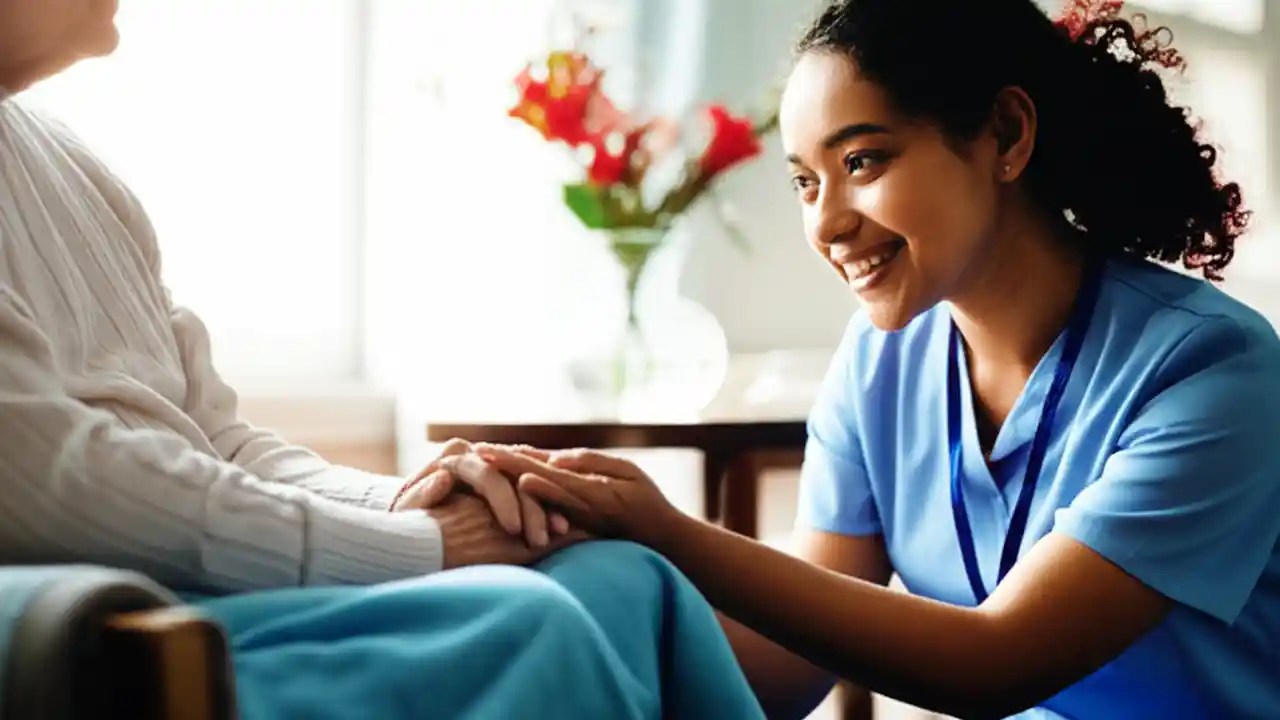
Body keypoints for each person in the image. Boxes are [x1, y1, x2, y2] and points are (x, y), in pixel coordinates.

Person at [458, 1, 1280, 717]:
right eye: (805, 183)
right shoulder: (880, 360)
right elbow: (788, 670)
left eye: (862, 161)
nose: (826, 225)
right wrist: (557, 555)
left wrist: (663, 530)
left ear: (1006, 134)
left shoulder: (1214, 369)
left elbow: (999, 663)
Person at [0, 2, 764, 718]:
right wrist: (423, 546)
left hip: (213, 581)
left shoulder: (76, 168)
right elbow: (43, 480)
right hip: (131, 614)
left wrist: (405, 503)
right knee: (527, 621)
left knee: (621, 577)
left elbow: (220, 443)